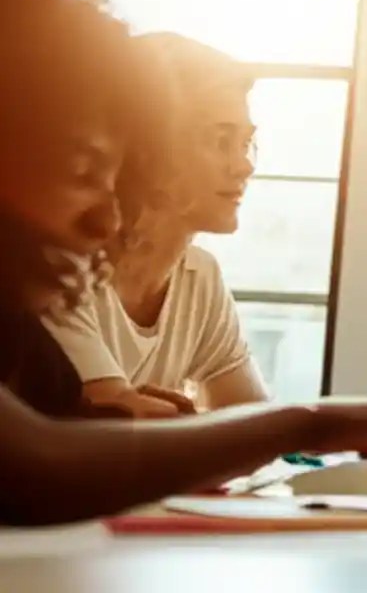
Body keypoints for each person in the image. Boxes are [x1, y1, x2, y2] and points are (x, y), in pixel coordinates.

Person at [0, 0, 367, 526]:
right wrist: (313, 418)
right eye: (82, 170)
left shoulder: (27, 341)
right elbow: (38, 466)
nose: (107, 221)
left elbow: (79, 438)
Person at [47, 33, 269, 417]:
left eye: (245, 142)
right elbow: (119, 430)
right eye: (219, 140)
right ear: (148, 146)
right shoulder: (63, 271)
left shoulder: (200, 278)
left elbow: (260, 425)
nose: (244, 165)